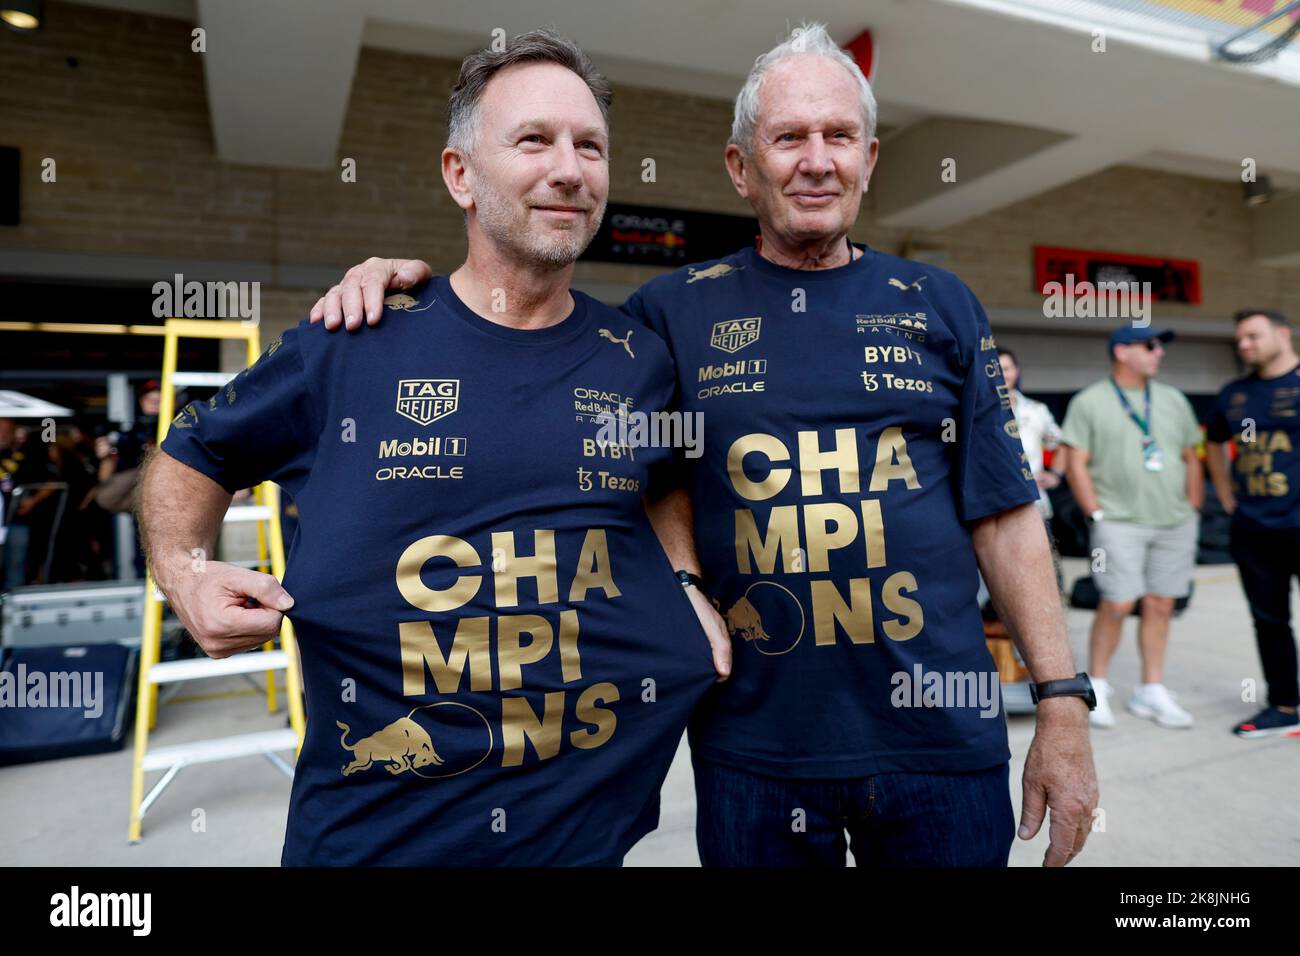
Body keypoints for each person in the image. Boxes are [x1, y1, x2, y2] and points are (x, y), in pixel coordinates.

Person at [311, 23, 1099, 868]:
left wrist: (1061, 703)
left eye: (839, 137)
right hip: (751, 751)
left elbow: (1005, 513)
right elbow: (640, 470)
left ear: (869, 160)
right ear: (740, 166)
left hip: (942, 745)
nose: (817, 160)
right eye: (788, 138)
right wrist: (407, 289)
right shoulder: (667, 316)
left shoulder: (942, 304)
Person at [140, 30, 723, 866]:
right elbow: (191, 453)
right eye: (533, 140)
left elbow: (664, 482)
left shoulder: (639, 361)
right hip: (372, 844)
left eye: (589, 146)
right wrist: (186, 576)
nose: (570, 169)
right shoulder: (354, 338)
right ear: (460, 174)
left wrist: (685, 583)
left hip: (585, 843)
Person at [1061, 326, 1204, 731]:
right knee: (1117, 603)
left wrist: (1193, 504)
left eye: (1159, 346)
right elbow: (1075, 462)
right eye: (1150, 345)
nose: (1159, 353)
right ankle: (1098, 687)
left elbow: (1191, 454)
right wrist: (1096, 513)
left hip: (1175, 521)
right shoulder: (1090, 401)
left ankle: (1150, 689)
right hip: (1118, 521)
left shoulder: (1173, 399)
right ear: (1122, 352)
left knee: (1161, 604)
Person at [1205, 309, 1300, 738]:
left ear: (1283, 334)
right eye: (1239, 338)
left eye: (1253, 336)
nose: (1244, 345)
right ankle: (1285, 704)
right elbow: (1213, 442)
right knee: (1269, 620)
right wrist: (1225, 494)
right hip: (1254, 529)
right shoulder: (1235, 394)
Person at [999, 348, 1067, 519]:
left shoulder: (1037, 409)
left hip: (1034, 502)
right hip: (993, 503)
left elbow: (1063, 443)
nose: (1001, 374)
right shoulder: (975, 411)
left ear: (1016, 371)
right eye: (994, 369)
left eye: (1006, 369)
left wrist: (1056, 475)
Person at [1, 417, 58, 590]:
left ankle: (12, 607)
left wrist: (32, 501)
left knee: (15, 567)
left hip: (18, 521)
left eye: (6, 431)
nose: (2, 435)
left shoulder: (30, 454)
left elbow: (53, 482)